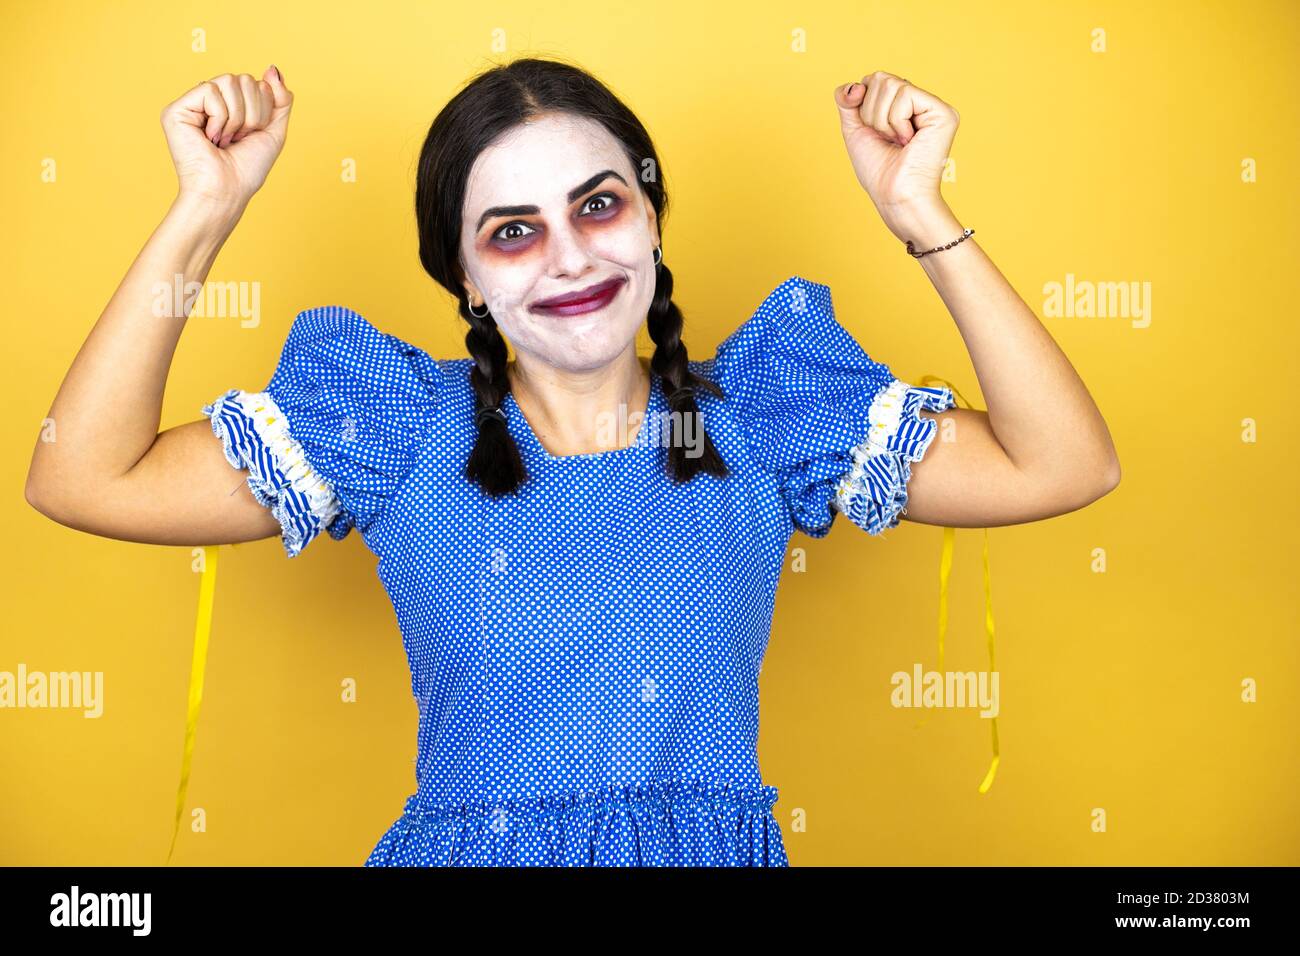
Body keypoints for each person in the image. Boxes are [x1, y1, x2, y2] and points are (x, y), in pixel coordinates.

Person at [24, 56, 1120, 866]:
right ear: (462, 278)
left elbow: (1062, 465)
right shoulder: (395, 426)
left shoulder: (760, 418)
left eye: (599, 205)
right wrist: (205, 210)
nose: (569, 256)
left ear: (649, 218)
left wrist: (916, 210)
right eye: (510, 230)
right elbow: (83, 476)